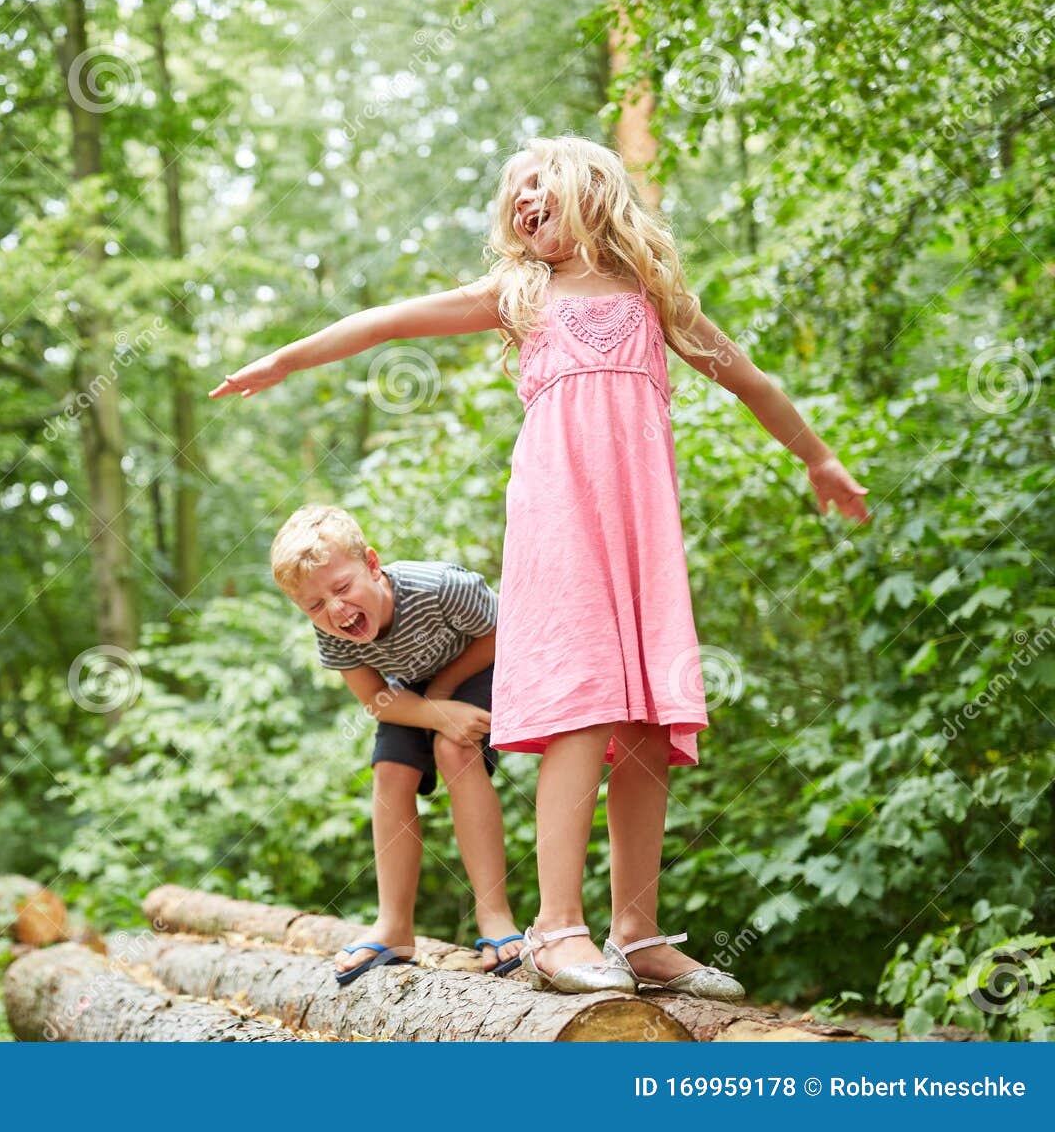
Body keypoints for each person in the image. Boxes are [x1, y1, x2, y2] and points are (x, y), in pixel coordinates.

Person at [213, 135, 871, 998]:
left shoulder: (653, 295)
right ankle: (558, 927)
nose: (524, 198)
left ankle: (637, 933)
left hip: (642, 530)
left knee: (644, 714)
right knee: (583, 706)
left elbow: (749, 379)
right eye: (513, 191)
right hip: (559, 527)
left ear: (591, 188)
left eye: (539, 182)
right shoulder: (520, 295)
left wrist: (818, 457)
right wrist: (288, 357)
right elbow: (389, 321)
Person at [269, 504, 527, 985]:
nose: (337, 611)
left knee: (455, 751)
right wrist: (431, 709)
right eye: (315, 606)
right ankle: (395, 927)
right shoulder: (335, 636)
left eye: (342, 588)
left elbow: (503, 634)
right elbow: (375, 700)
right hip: (406, 694)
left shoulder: (443, 588)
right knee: (390, 771)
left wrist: (444, 694)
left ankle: (495, 917)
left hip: (480, 666)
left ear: (371, 563)